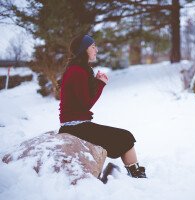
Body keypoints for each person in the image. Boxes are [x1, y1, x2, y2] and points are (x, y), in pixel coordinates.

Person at [58, 34, 146, 178]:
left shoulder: (78, 69)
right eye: (93, 46)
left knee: (124, 137)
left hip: (76, 125)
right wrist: (100, 83)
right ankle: (137, 175)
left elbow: (83, 100)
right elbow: (85, 104)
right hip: (75, 128)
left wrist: (97, 82)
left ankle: (134, 173)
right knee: (126, 137)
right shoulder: (77, 71)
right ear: (83, 50)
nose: (96, 50)